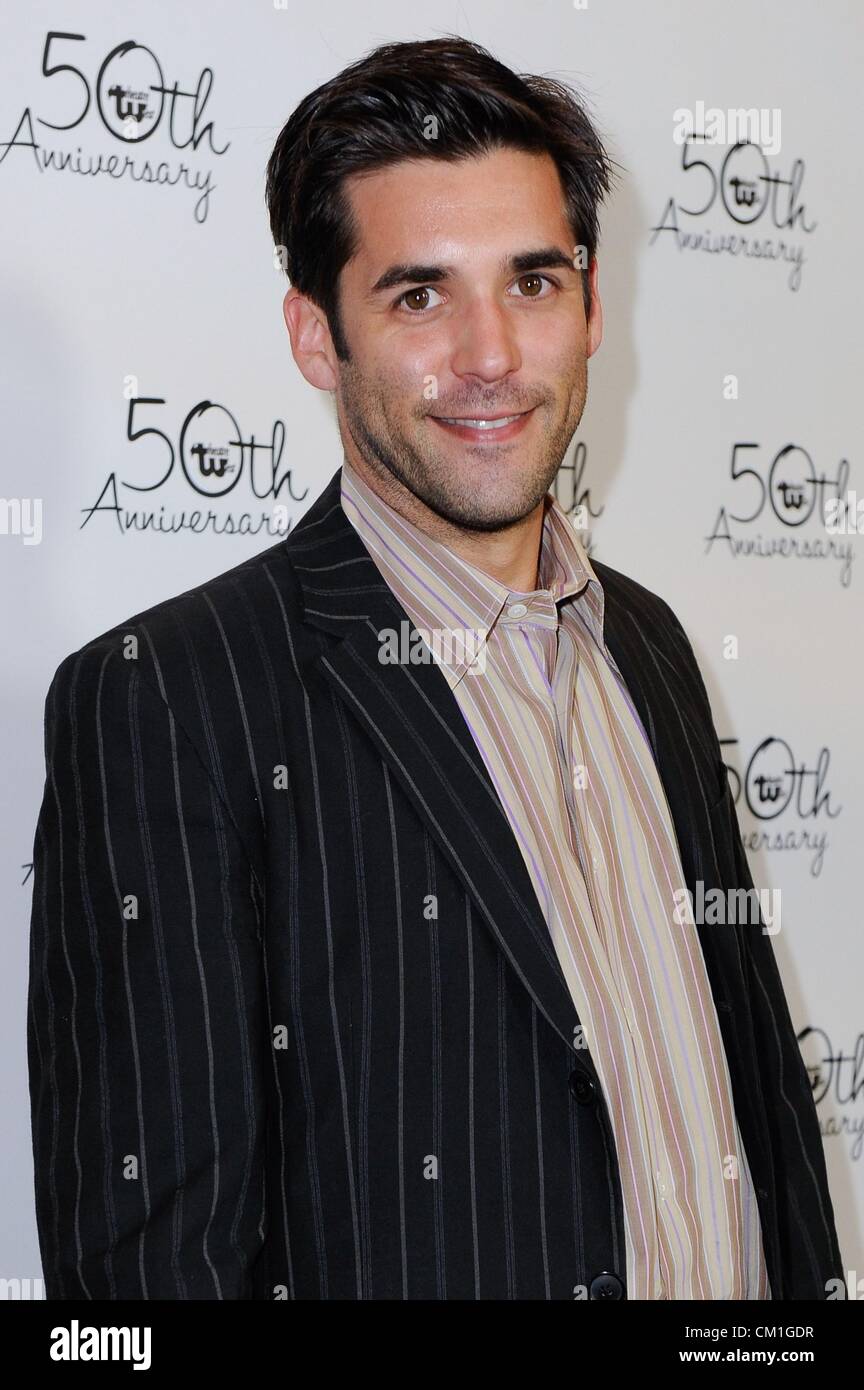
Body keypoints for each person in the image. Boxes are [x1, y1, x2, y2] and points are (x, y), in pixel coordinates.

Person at [28, 35, 843, 1300]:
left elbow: (762, 1131)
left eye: (532, 283)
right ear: (316, 336)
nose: (492, 355)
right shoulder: (172, 696)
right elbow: (151, 1275)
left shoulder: (656, 648)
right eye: (419, 296)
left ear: (591, 308)